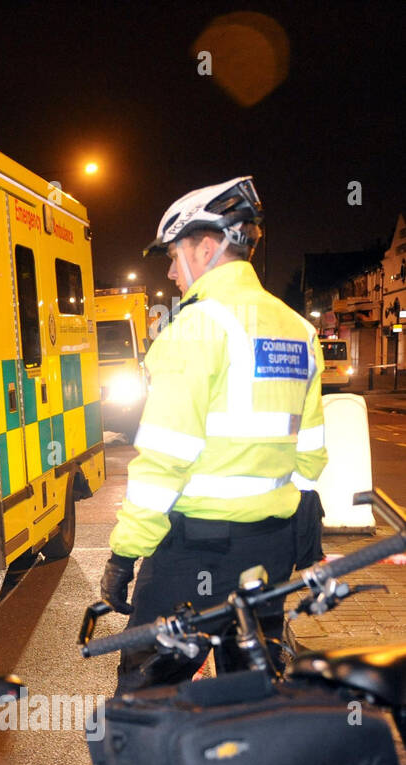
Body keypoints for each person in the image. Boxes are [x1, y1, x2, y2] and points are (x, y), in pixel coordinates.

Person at [99, 177, 327, 695]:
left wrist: (123, 555)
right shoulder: (297, 329)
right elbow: (310, 453)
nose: (171, 271)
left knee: (146, 699)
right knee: (249, 694)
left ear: (206, 247)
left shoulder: (197, 329)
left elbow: (164, 460)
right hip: (269, 556)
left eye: (174, 256)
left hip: (194, 557)